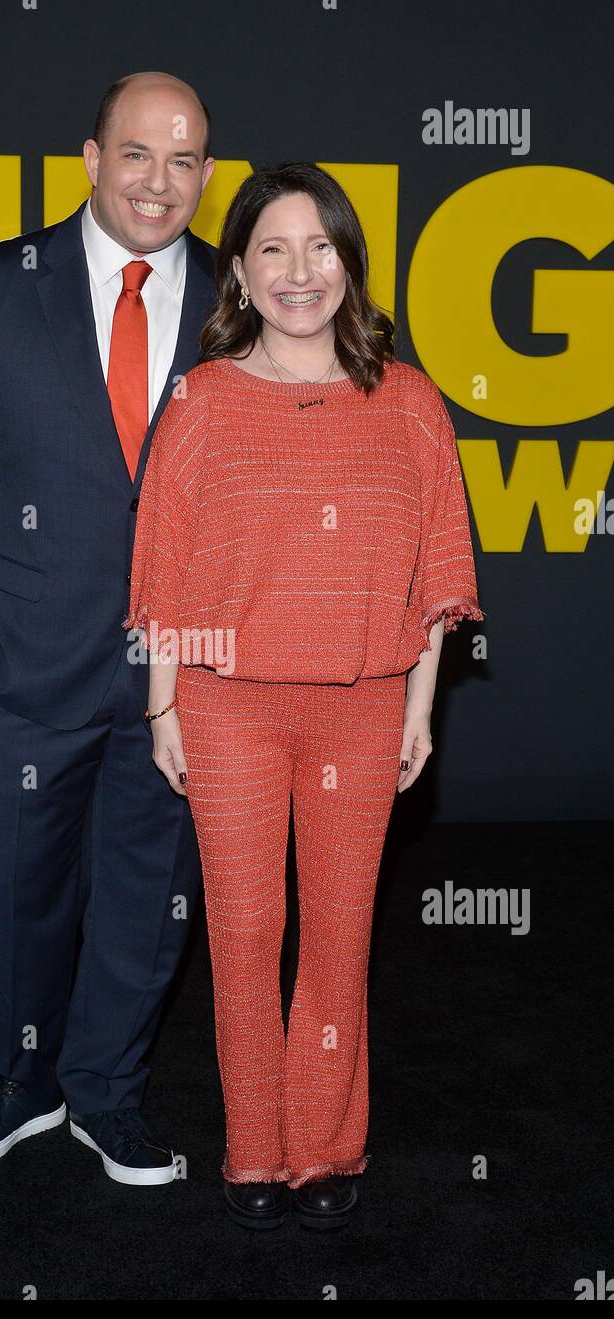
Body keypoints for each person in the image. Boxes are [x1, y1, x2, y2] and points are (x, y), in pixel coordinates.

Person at [124, 162, 484, 1228]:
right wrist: (161, 707)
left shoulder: (408, 401)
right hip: (225, 706)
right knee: (243, 934)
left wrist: (419, 708)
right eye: (272, 249)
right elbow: (162, 566)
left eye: (319, 247)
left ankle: (324, 1149)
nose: (298, 271)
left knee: (337, 934)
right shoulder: (201, 401)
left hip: (363, 705)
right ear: (238, 271)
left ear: (348, 265)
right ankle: (252, 1152)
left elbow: (437, 568)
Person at [0, 72, 216, 1185]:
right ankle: (20, 1081)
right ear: (91, 159)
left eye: (182, 161)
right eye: (137, 154)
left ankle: (107, 1093)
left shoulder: (238, 296)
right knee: (18, 887)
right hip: (23, 661)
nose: (158, 182)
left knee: (148, 897)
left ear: (206, 175)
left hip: (182, 675)